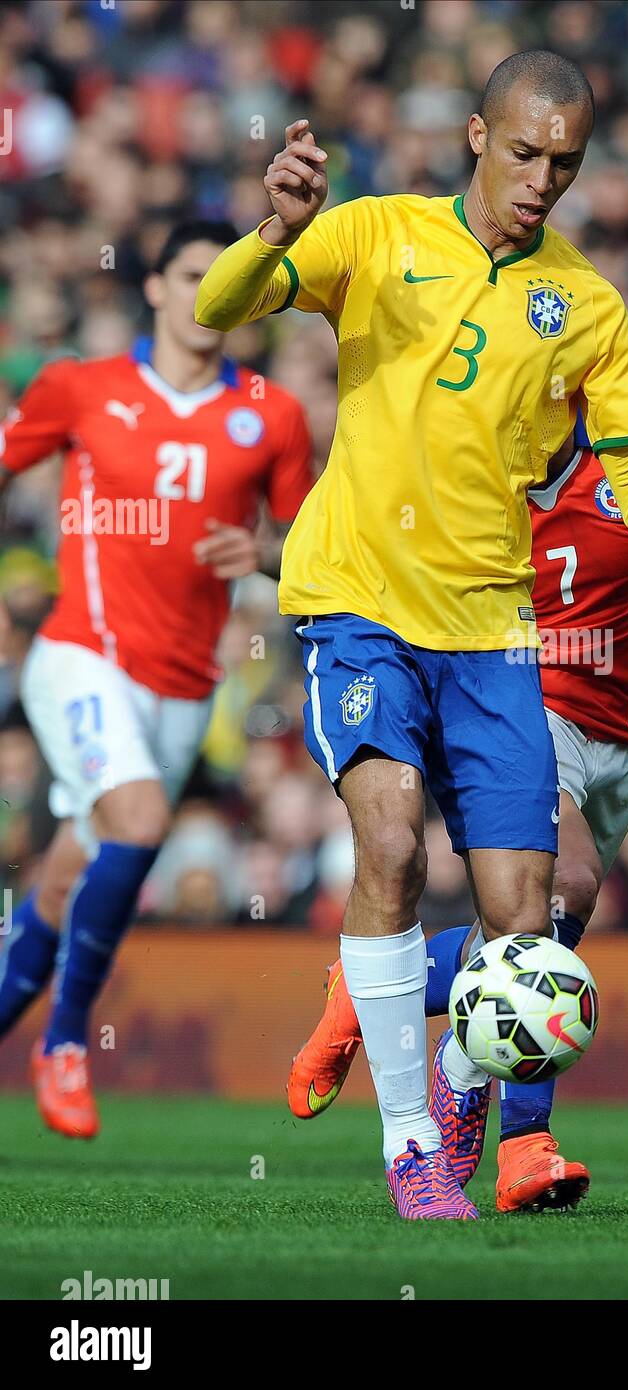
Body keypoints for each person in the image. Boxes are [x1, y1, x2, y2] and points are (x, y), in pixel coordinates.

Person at [195, 49, 628, 1220]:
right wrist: (270, 229)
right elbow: (216, 307)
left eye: (568, 162)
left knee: (525, 918)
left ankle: (420, 1061)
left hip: (493, 633)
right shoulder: (372, 233)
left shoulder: (588, 308)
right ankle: (413, 1147)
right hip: (357, 600)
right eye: (528, 153)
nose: (544, 179)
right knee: (388, 846)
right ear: (477, 143)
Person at [287, 404, 628, 1213]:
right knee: (564, 886)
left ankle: (386, 1000)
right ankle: (523, 1147)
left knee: (529, 920)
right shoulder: (462, 466)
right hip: (518, 704)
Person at [0, 219, 315, 1138]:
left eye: (226, 279)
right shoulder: (82, 388)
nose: (207, 293)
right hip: (81, 656)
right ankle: (63, 1045)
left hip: (185, 692)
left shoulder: (274, 415)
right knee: (136, 824)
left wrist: (261, 553)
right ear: (155, 288)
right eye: (190, 275)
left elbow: (310, 554)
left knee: (64, 885)